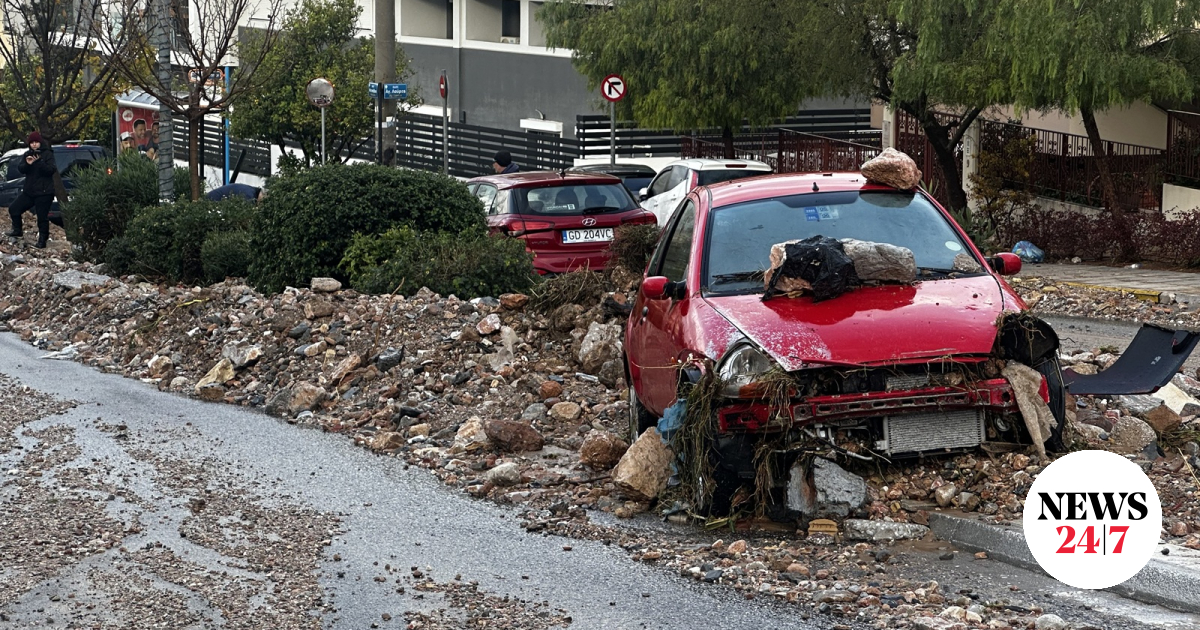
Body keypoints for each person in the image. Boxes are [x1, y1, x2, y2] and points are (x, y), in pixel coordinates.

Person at [6, 132, 58, 249]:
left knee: (42, 217)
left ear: (40, 142)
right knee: (14, 209)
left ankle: (42, 240)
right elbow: (21, 169)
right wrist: (28, 164)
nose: (34, 145)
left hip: (44, 192)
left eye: (36, 142)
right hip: (30, 191)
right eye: (32, 143)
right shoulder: (27, 154)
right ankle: (17, 230)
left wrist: (39, 162)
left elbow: (51, 170)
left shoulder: (47, 154)